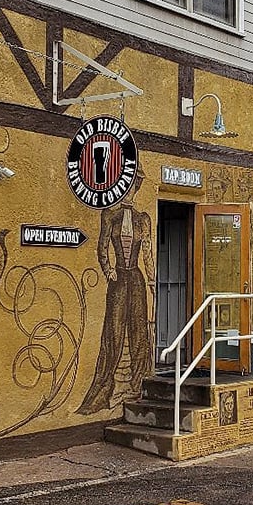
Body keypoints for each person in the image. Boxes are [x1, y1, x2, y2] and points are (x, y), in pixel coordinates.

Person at [77, 167, 155, 414]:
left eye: (133, 186)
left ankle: (137, 383)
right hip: (118, 279)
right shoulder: (109, 214)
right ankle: (108, 387)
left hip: (137, 279)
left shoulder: (143, 219)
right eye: (127, 186)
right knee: (114, 329)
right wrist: (108, 268)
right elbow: (102, 247)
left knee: (138, 329)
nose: (130, 191)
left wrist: (153, 282)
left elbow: (148, 254)